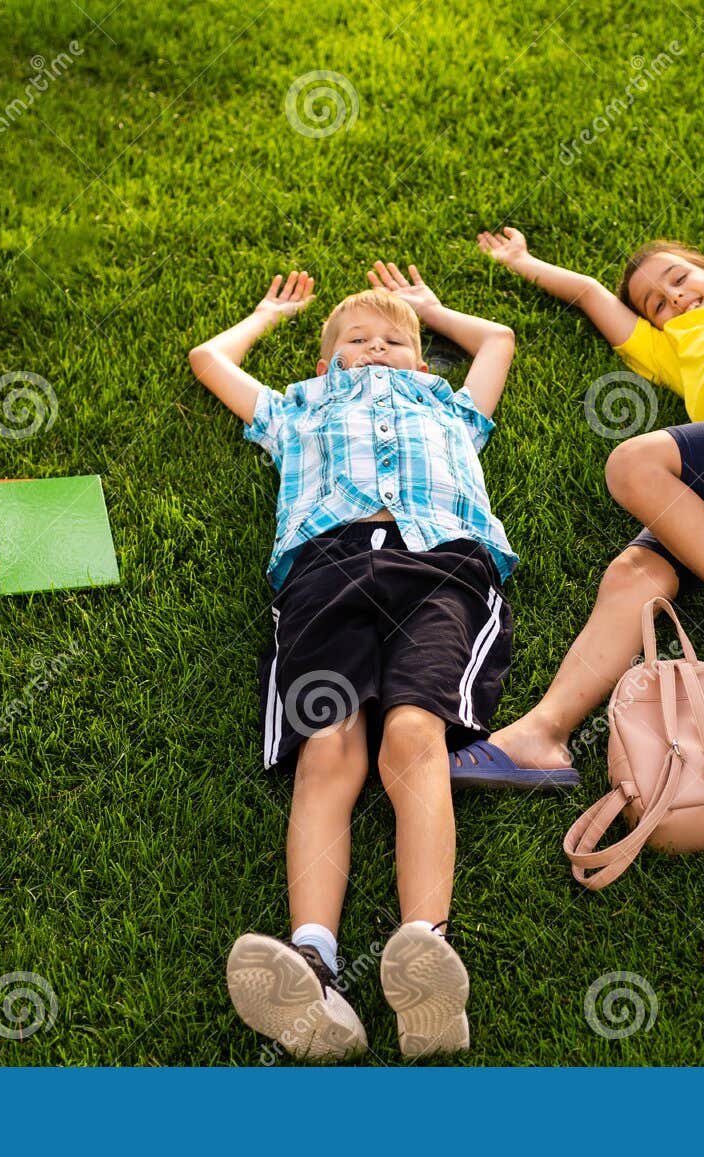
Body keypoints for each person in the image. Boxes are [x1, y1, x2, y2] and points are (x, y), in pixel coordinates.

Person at [189, 262, 521, 1059]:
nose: (376, 348)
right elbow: (209, 361)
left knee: (413, 736)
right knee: (328, 747)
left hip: (441, 565)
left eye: (395, 342)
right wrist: (267, 316)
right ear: (323, 364)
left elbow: (500, 341)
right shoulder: (297, 408)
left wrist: (432, 310)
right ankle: (314, 961)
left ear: (423, 359)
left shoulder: (450, 407)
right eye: (356, 342)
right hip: (323, 572)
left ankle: (425, 949)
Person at [453, 191, 704, 786]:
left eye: (679, 279)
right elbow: (593, 295)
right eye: (658, 303)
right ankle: (543, 733)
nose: (674, 298)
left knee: (632, 465)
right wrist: (523, 262)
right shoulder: (671, 348)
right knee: (634, 570)